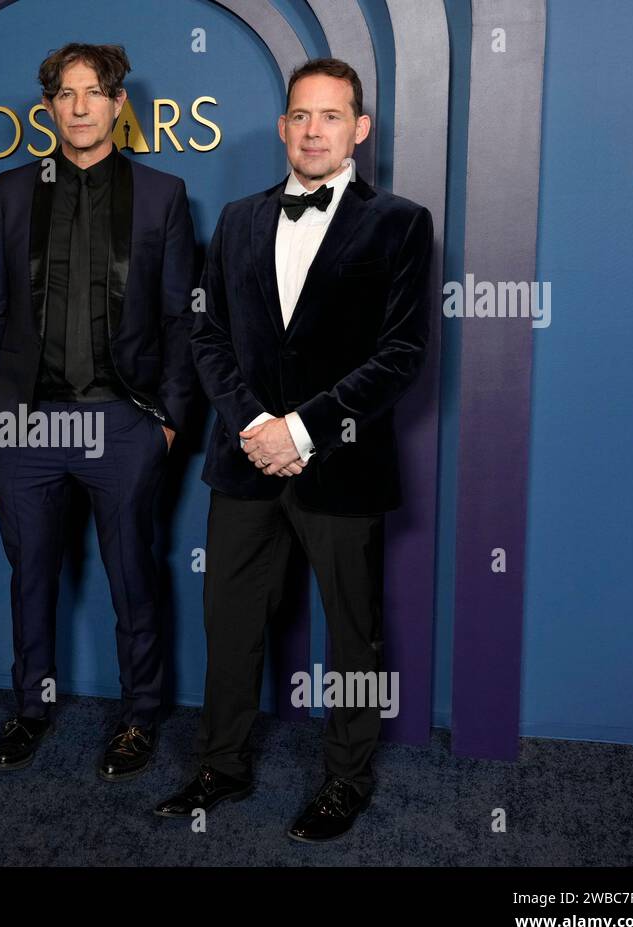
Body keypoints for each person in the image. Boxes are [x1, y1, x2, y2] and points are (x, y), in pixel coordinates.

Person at [154, 58, 433, 841]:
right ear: (284, 126)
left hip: (342, 464)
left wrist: (301, 431)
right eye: (302, 116)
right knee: (230, 620)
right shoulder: (238, 218)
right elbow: (207, 336)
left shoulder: (401, 222)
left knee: (352, 633)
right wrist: (257, 427)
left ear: (359, 128)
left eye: (332, 116)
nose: (314, 131)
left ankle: (345, 779)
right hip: (245, 459)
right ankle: (222, 764)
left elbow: (401, 353)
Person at [0, 43, 197, 779]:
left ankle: (140, 716)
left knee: (134, 577)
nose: (78, 107)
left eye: (92, 93)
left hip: (121, 420)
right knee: (29, 577)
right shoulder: (11, 192)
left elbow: (179, 322)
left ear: (117, 104)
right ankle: (30, 709)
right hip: (27, 426)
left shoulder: (163, 193)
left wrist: (166, 419)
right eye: (64, 94)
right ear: (48, 108)